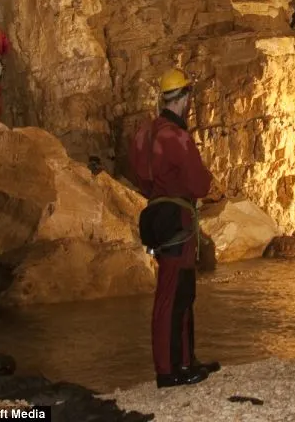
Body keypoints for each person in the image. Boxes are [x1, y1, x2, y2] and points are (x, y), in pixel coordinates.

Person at [128, 68, 220, 389]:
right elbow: (200, 183)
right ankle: (169, 371)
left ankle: (186, 361)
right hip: (177, 219)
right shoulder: (177, 137)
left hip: (155, 214)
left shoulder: (143, 134)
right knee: (172, 294)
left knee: (182, 291)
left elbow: (141, 178)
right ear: (183, 99)